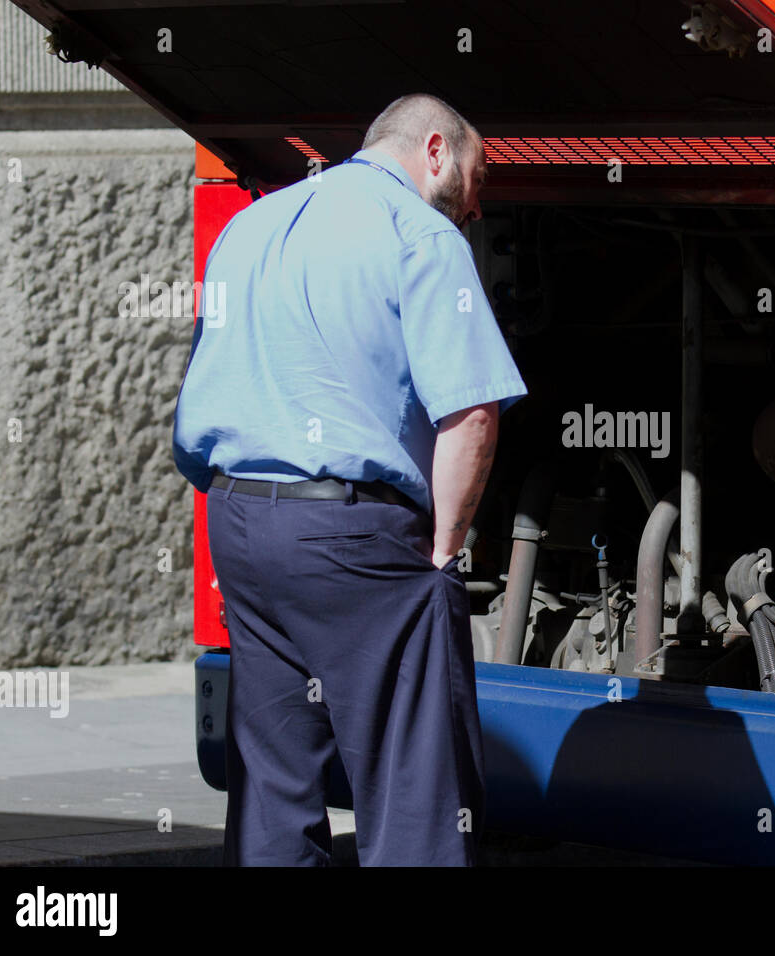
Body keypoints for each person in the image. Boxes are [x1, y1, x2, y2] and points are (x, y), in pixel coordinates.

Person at [171, 93, 527, 866]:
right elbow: (471, 416)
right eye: (478, 176)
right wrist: (441, 552)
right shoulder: (420, 235)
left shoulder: (250, 227)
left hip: (240, 523)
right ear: (435, 150)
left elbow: (208, 386)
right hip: (356, 539)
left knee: (270, 788)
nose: (476, 204)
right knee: (415, 792)